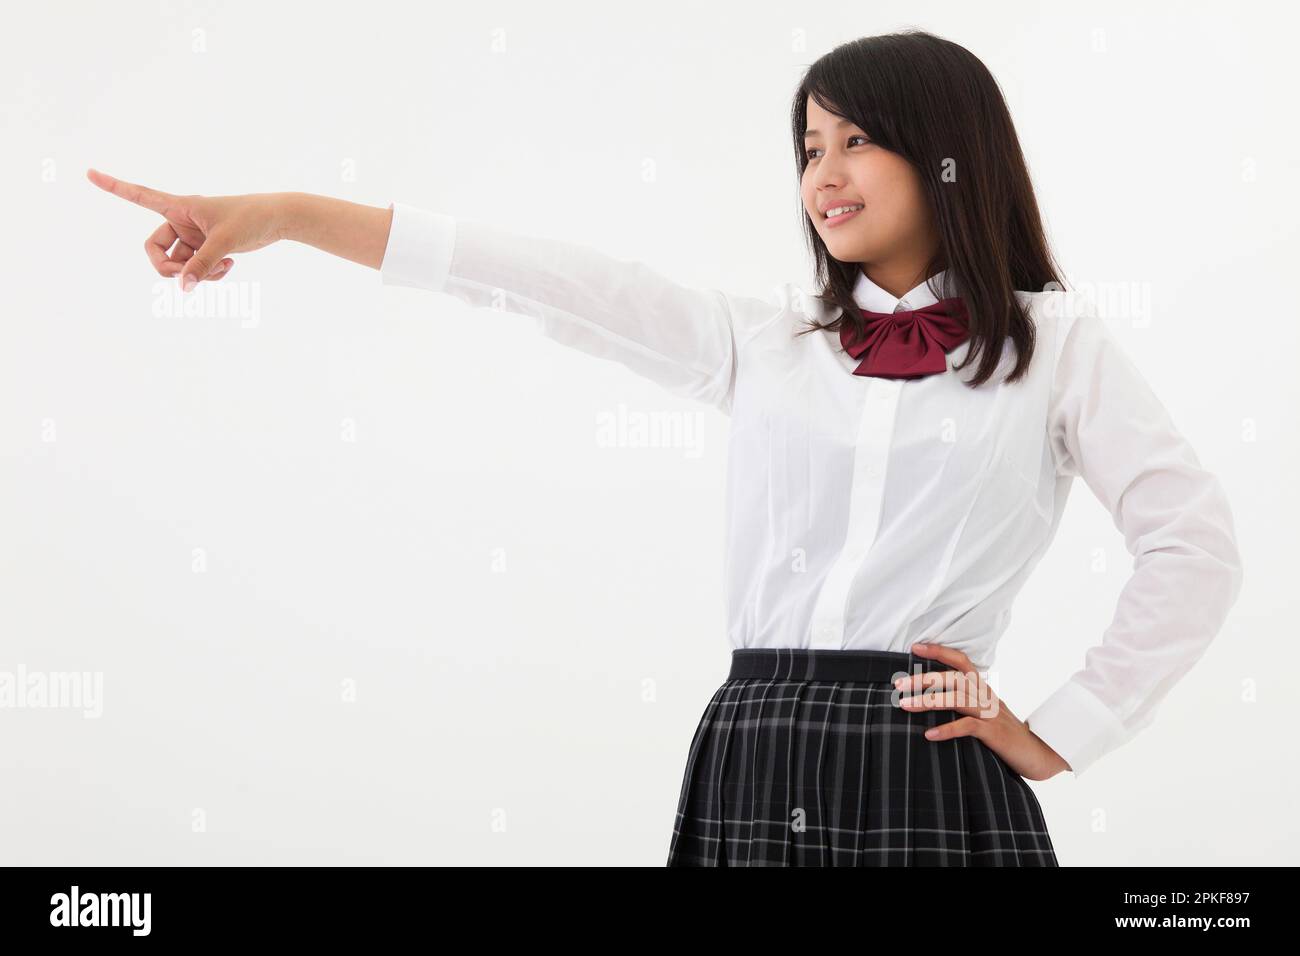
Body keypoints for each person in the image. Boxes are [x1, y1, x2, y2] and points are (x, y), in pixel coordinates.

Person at [87, 29, 1243, 867]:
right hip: (751, 744)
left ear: (947, 156)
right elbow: (546, 281)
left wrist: (1055, 732)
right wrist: (289, 214)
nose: (822, 176)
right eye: (808, 146)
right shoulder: (767, 342)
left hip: (924, 754)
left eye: (857, 142)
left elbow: (1192, 543)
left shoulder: (1056, 344)